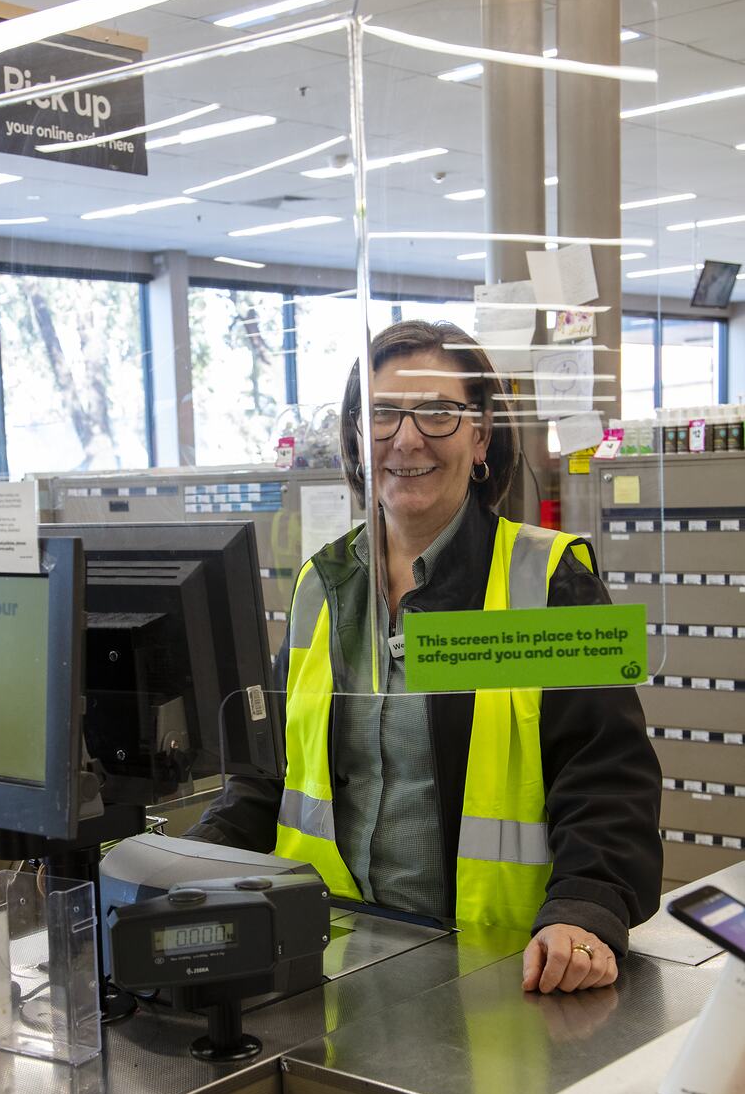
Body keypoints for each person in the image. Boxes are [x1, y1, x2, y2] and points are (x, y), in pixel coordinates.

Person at [188, 320, 662, 994]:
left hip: (500, 972)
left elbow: (608, 777)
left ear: (481, 435)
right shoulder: (323, 584)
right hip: (327, 961)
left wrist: (586, 908)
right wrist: (183, 867)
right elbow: (270, 777)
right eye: (383, 413)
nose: (407, 439)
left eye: (438, 413)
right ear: (358, 436)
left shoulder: (548, 579)